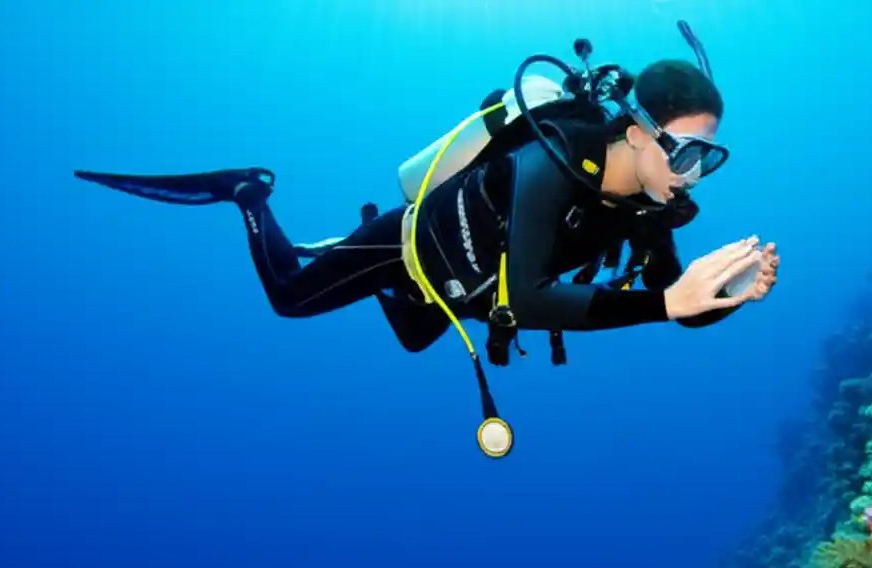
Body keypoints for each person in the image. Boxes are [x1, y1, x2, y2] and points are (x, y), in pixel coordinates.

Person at [74, 34, 779, 456]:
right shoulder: (552, 159)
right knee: (289, 297)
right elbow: (529, 299)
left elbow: (677, 300)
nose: (694, 175)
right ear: (634, 132)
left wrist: (725, 298)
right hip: (409, 249)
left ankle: (364, 246)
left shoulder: (650, 210)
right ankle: (249, 193)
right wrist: (666, 304)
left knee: (414, 336)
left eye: (709, 159)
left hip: (459, 294)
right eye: (687, 152)